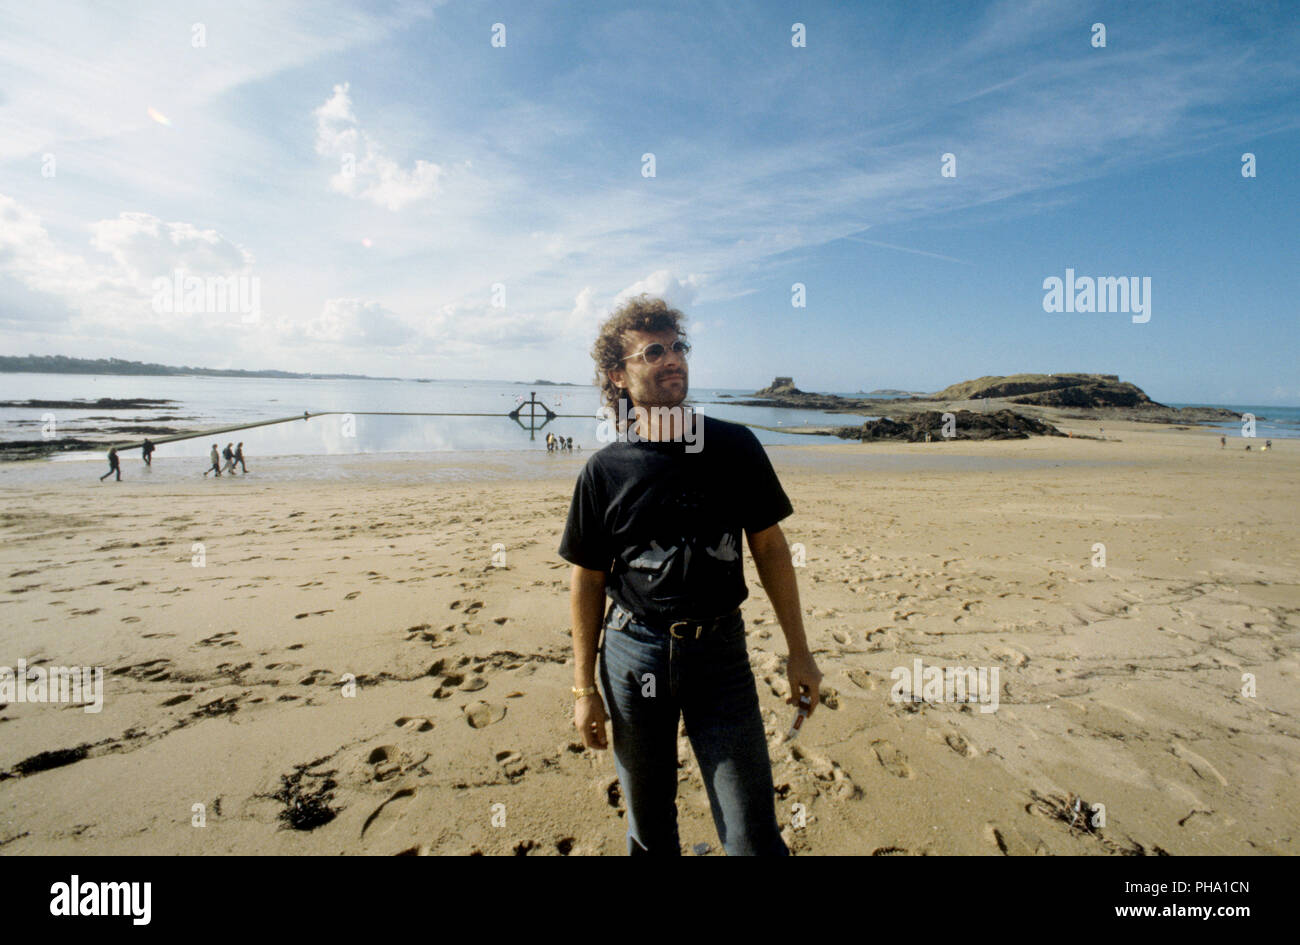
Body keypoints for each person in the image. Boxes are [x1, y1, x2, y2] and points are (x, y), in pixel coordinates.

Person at [558, 294, 820, 856]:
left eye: (677, 347)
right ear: (618, 375)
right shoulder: (605, 470)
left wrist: (800, 651)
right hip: (635, 656)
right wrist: (584, 690)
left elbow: (771, 548)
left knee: (752, 833)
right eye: (653, 351)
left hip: (720, 656)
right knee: (650, 830)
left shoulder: (734, 446)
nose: (672, 358)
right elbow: (587, 580)